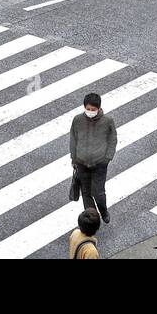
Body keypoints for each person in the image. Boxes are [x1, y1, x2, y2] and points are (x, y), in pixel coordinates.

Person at [68, 92, 117, 224]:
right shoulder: (77, 120)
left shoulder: (108, 121)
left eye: (93, 109)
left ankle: (103, 211)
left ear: (99, 108)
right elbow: (73, 139)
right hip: (81, 163)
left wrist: (107, 158)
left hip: (99, 164)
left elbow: (113, 140)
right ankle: (92, 219)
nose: (90, 112)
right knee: (86, 193)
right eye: (88, 109)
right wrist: (74, 159)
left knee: (98, 193)